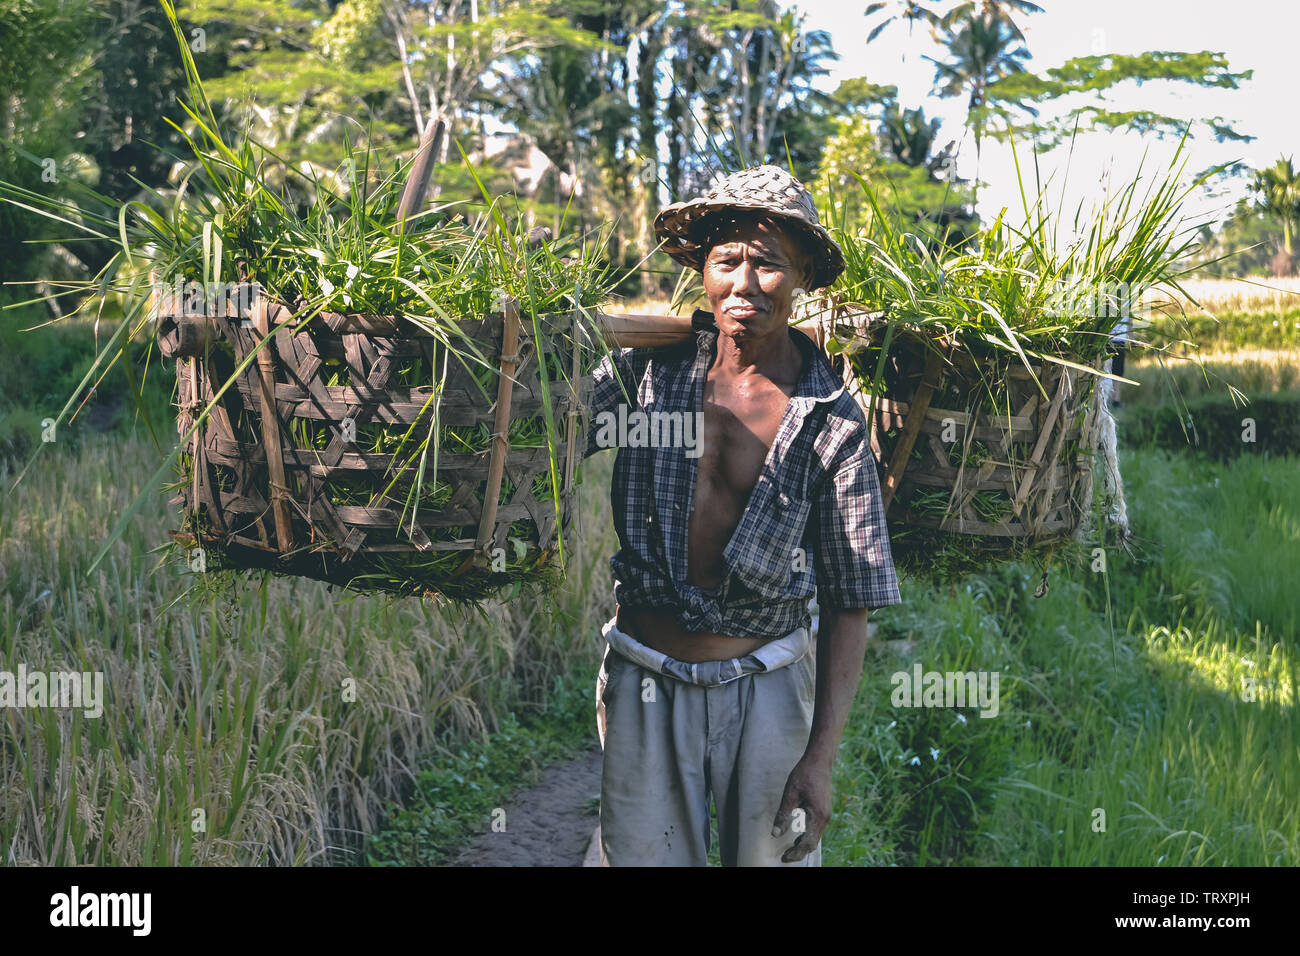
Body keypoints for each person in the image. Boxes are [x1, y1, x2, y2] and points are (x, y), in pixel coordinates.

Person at [584, 165, 902, 866]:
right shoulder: (648, 375)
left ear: (804, 276)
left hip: (765, 682)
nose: (745, 282)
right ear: (702, 268)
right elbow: (546, 435)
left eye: (768, 265)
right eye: (727, 260)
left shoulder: (831, 417)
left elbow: (853, 599)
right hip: (645, 674)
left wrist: (820, 758)